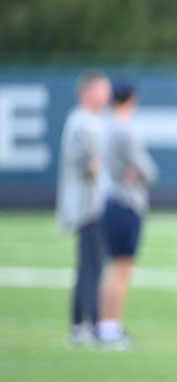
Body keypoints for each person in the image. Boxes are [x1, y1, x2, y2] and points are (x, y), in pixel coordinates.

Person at [97, 79, 157, 348]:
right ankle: (111, 326)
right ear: (132, 99)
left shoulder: (105, 125)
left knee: (115, 267)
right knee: (122, 268)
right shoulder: (124, 129)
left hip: (112, 197)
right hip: (126, 201)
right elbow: (146, 170)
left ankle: (106, 324)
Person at [56, 70, 111, 347]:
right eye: (102, 90)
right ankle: (91, 323)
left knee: (88, 266)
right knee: (92, 267)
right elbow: (87, 164)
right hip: (88, 205)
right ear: (87, 93)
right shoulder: (82, 122)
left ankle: (82, 324)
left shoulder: (92, 121)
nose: (107, 95)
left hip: (91, 203)